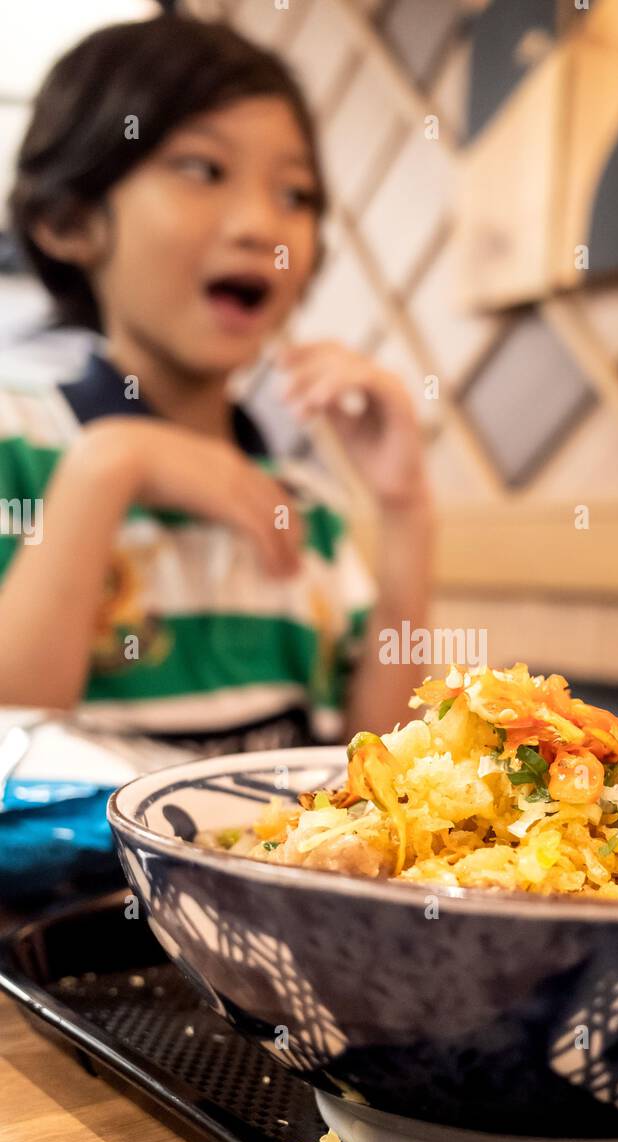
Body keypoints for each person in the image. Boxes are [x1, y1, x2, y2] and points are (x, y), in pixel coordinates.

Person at [0, 14, 432, 753]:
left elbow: (376, 769)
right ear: (69, 220)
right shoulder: (19, 447)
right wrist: (112, 465)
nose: (264, 224)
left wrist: (404, 510)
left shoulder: (308, 508)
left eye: (295, 195)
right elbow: (11, 733)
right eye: (203, 170)